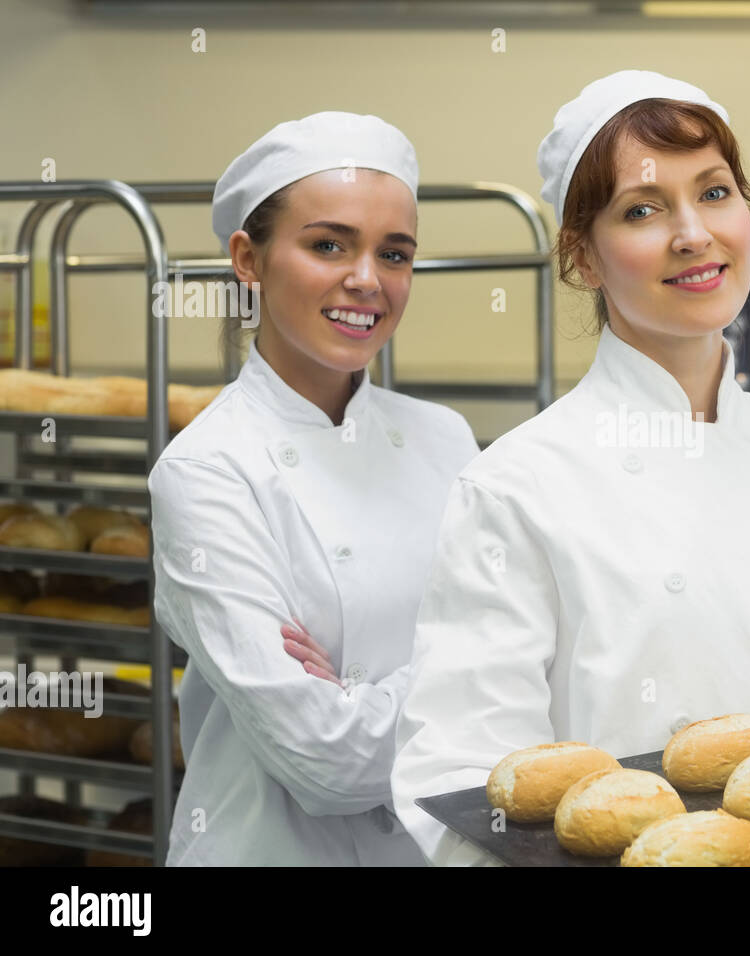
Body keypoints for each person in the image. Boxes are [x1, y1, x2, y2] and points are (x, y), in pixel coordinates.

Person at [391, 70, 750, 866]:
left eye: (714, 193)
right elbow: (463, 783)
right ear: (583, 258)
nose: (694, 234)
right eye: (642, 210)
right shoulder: (520, 487)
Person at [149, 111, 479, 865]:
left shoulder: (445, 438)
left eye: (393, 254)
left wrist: (362, 698)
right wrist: (475, 672)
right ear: (248, 259)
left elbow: (536, 672)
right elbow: (328, 765)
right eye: (328, 244)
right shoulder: (208, 472)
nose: (366, 280)